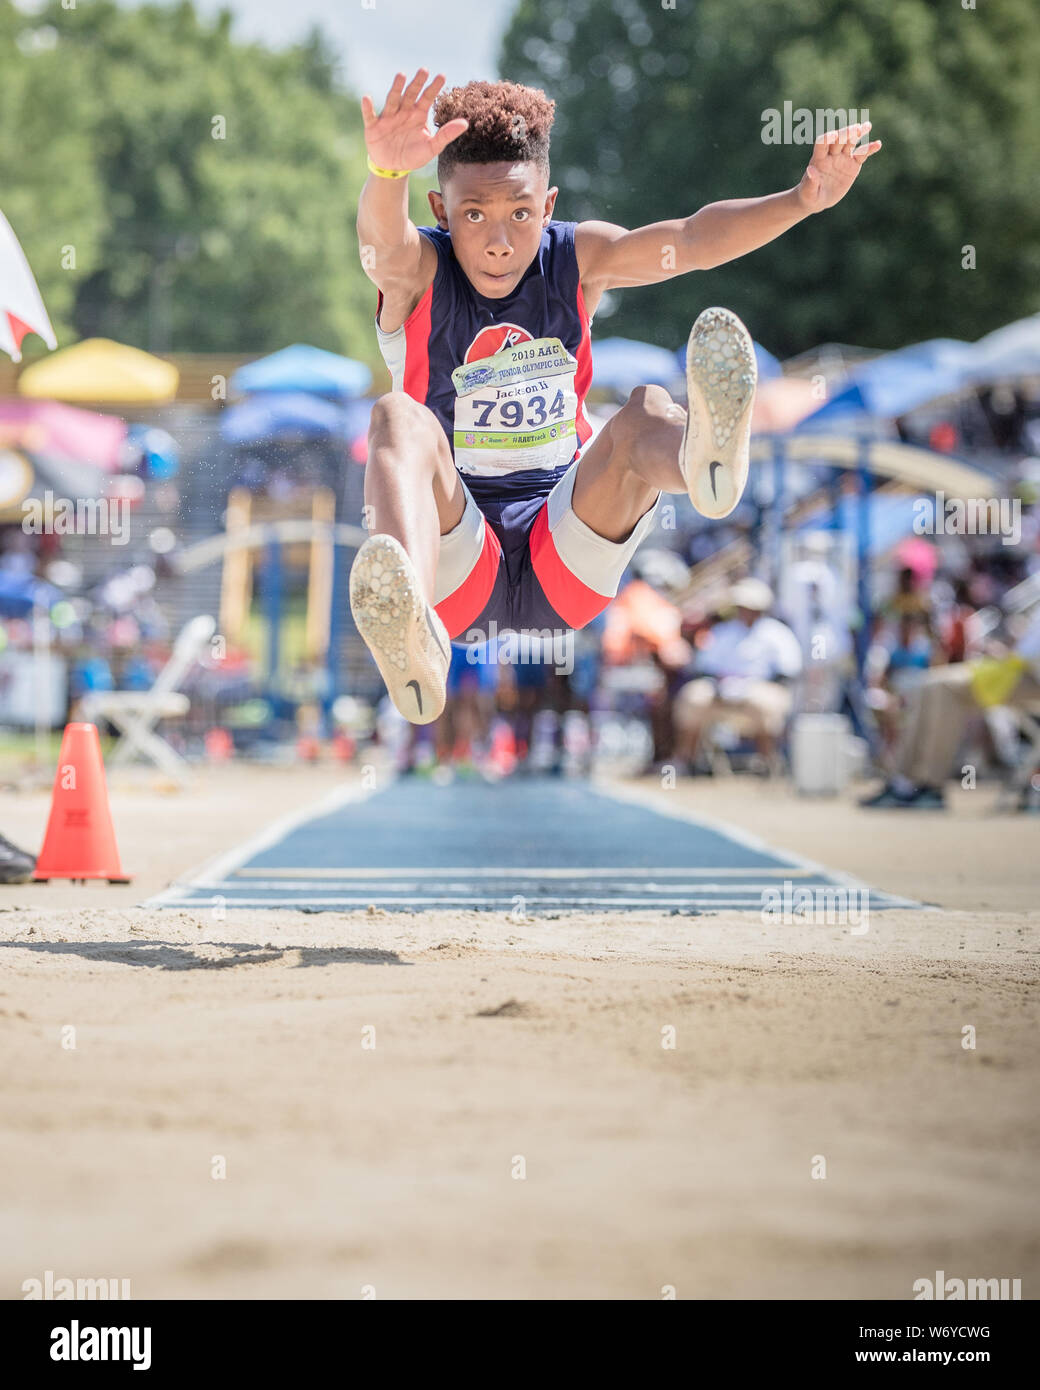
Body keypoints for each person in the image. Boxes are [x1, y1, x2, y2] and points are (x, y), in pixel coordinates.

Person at [350, 69, 881, 723]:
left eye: (520, 214)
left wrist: (801, 198)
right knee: (396, 417)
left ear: (547, 207)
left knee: (647, 409)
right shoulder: (418, 270)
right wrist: (386, 174)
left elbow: (687, 241)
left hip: (565, 549)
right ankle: (413, 632)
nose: (498, 239)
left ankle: (705, 465)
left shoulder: (577, 258)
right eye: (474, 215)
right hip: (460, 568)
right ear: (440, 212)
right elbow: (381, 247)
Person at [861, 608, 1040, 809]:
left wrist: (1006, 653)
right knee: (927, 685)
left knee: (945, 689)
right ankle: (903, 781)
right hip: (1012, 669)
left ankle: (930, 784)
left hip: (1029, 678)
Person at [673, 578, 802, 770]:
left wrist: (749, 685)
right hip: (721, 688)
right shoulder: (724, 631)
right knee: (693, 697)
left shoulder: (777, 633)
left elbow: (788, 671)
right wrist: (722, 683)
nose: (745, 612)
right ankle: (686, 761)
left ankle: (769, 763)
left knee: (764, 704)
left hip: (760, 688)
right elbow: (704, 667)